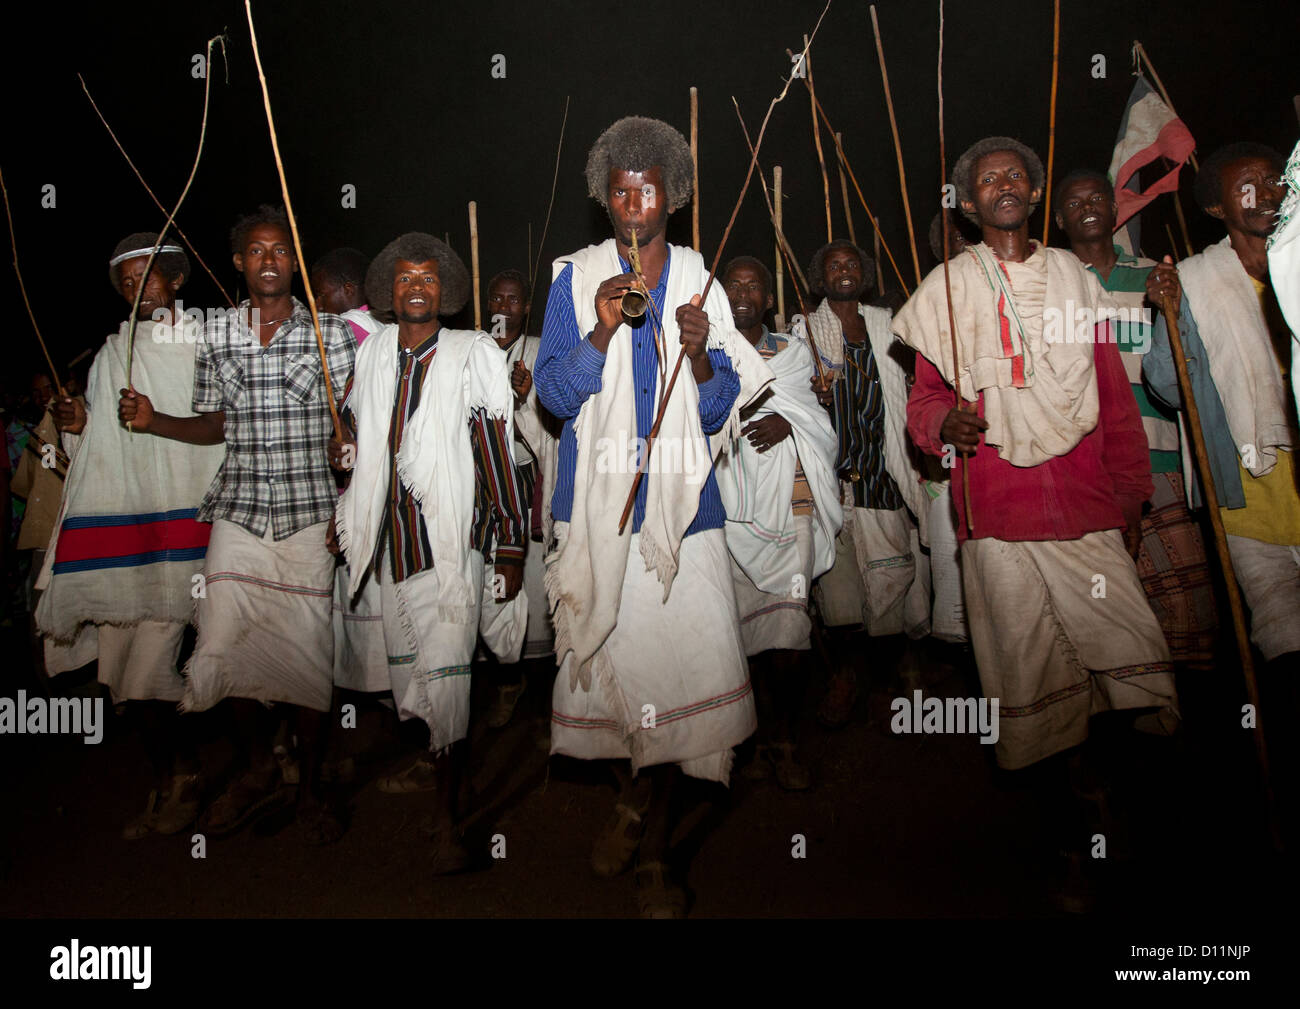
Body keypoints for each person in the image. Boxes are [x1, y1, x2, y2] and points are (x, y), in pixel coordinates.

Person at [895, 136, 1176, 910]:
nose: (1004, 185)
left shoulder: (1076, 282)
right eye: (987, 180)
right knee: (1033, 693)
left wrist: (1127, 499)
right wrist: (939, 424)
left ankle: (1110, 807)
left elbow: (1115, 402)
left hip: (1085, 510)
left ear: (1035, 190)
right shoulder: (946, 289)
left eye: (1016, 174)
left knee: (1133, 667)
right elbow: (922, 399)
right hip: (999, 517)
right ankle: (1067, 843)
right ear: (969, 204)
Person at [534, 115, 771, 917]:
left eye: (650, 189)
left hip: (682, 517)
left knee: (687, 686)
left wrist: (701, 349)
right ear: (606, 200)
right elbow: (556, 397)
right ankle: (630, 791)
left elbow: (713, 411)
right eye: (621, 191)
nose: (635, 204)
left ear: (674, 197)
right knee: (606, 683)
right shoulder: (573, 279)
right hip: (595, 511)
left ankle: (657, 851)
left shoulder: (700, 281)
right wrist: (602, 327)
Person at [119, 205, 356, 844]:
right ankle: (256, 770)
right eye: (257, 250)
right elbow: (215, 423)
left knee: (309, 655)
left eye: (280, 250)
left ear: (294, 261)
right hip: (240, 512)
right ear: (239, 262)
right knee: (225, 642)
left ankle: (308, 790)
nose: (269, 261)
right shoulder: (217, 332)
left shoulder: (331, 336)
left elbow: (356, 428)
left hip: (310, 516)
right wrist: (153, 421)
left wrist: (349, 457)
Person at [331, 232, 527, 871]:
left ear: (445, 291)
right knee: (415, 685)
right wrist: (348, 458)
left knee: (446, 686)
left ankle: (447, 824)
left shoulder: (473, 354)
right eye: (406, 279)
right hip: (393, 545)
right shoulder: (376, 354)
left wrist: (510, 544)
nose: (417, 288)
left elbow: (497, 447)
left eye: (429, 278)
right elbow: (361, 437)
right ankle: (454, 773)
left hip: (452, 544)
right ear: (391, 292)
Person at [38, 233, 225, 837]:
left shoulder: (204, 341)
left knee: (159, 670)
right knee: (122, 678)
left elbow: (229, 425)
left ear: (174, 280)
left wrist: (156, 420)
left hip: (195, 529)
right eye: (126, 282)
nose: (137, 290)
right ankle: (172, 775)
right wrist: (79, 424)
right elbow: (101, 449)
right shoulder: (111, 353)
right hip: (129, 537)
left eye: (148, 277)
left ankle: (194, 775)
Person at [1143, 142, 1299, 797]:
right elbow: (1164, 385)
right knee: (1285, 636)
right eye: (1246, 187)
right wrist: (1171, 315)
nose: (1264, 193)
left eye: (1273, 181)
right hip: (1250, 488)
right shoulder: (1198, 278)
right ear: (1214, 206)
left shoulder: (1297, 260)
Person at [1054, 168, 1216, 670]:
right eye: (1075, 202)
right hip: (1080, 462)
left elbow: (1187, 363)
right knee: (1103, 600)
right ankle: (1129, 707)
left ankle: (1183, 716)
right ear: (1059, 219)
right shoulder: (1044, 287)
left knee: (1182, 591)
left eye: (1097, 197)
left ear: (1114, 207)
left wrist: (1175, 306)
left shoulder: (1156, 277)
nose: (1088, 207)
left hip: (1157, 447)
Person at [715, 255, 841, 789]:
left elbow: (820, 423)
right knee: (739, 637)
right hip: (724, 507)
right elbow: (693, 416)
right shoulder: (706, 350)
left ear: (769, 300)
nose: (743, 291)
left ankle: (784, 740)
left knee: (788, 631)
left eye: (754, 285)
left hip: (790, 504)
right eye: (733, 285)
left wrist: (785, 418)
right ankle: (752, 734)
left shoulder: (793, 353)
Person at [801, 239, 931, 727]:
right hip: (832, 481)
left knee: (890, 586)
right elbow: (792, 399)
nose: (844, 270)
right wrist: (813, 394)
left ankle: (885, 680)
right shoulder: (806, 332)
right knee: (839, 596)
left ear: (866, 273)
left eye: (852, 263)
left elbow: (914, 386)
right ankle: (849, 677)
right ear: (821, 277)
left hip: (882, 474)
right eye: (833, 265)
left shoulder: (889, 325)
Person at [480, 268, 560, 728]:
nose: (504, 307)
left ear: (526, 307)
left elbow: (552, 423)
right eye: (497, 297)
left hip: (526, 476)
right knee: (492, 580)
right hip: (484, 483)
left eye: (513, 300)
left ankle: (545, 688)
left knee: (532, 576)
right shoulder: (471, 349)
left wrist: (527, 397)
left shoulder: (538, 350)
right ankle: (506, 679)